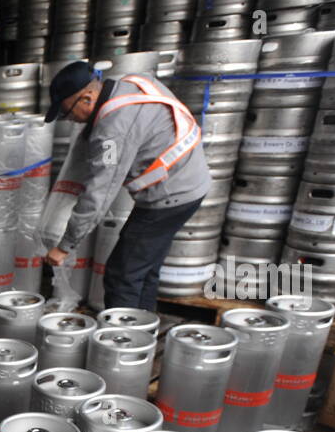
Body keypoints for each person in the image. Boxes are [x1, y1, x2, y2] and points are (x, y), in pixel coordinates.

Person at [42, 60, 211, 311]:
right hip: (190, 183)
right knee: (144, 270)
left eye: (68, 112)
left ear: (88, 97)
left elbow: (99, 194)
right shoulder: (135, 81)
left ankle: (124, 342)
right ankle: (144, 334)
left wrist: (65, 246)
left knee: (121, 277)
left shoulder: (111, 134)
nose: (71, 121)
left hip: (170, 196)